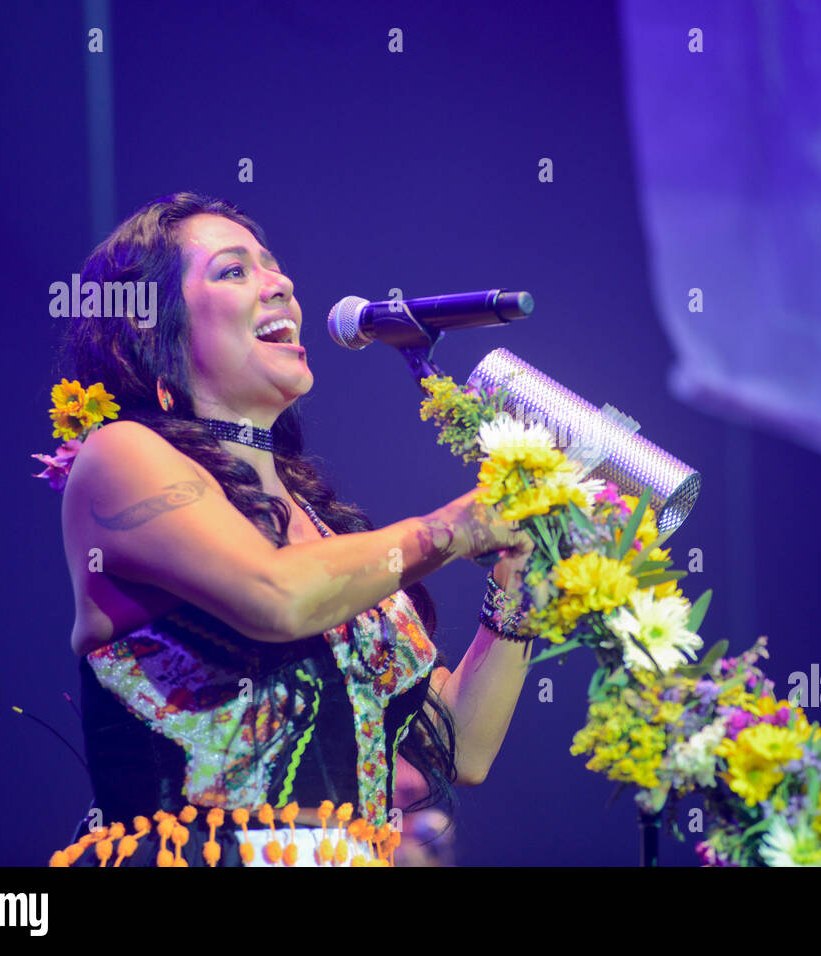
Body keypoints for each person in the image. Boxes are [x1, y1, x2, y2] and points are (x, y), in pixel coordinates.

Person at [47, 192, 535, 867]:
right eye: (234, 270)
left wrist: (522, 582)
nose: (282, 283)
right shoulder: (119, 456)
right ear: (154, 329)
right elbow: (275, 598)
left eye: (273, 266)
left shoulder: (323, 527)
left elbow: (464, 748)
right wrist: (450, 529)